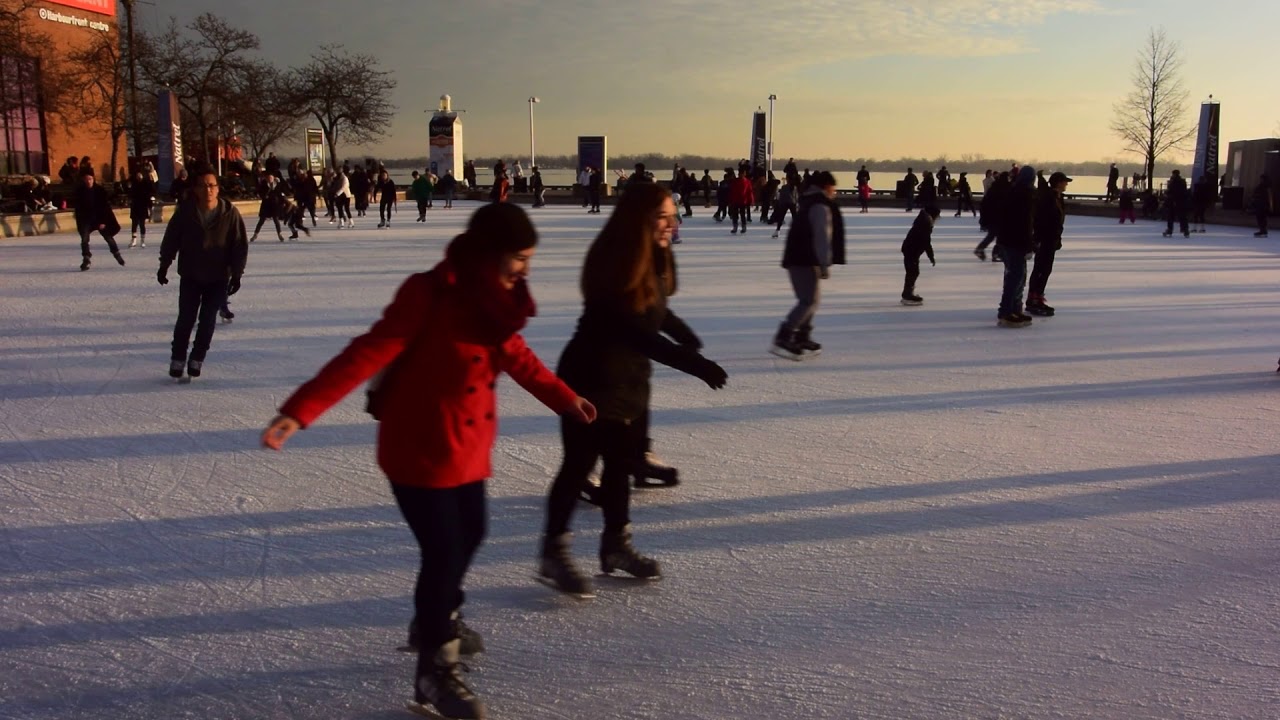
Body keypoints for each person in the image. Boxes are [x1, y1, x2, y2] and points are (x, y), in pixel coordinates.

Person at [261, 203, 596, 720]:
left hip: (467, 448)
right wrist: (299, 412)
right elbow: (366, 353)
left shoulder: (497, 301)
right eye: (519, 259)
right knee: (442, 551)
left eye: (529, 259)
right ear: (489, 254)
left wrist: (564, 398)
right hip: (418, 449)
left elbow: (518, 357)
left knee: (473, 534)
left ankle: (437, 619)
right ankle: (433, 670)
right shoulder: (428, 293)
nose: (525, 270)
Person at [539, 183, 727, 599]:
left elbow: (654, 307)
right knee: (579, 464)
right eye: (663, 216)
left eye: (672, 214)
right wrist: (691, 361)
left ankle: (615, 548)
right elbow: (634, 330)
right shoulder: (615, 259)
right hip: (592, 377)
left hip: (629, 379)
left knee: (621, 465)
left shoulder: (655, 256)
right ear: (639, 218)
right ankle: (553, 551)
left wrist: (682, 332)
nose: (671, 223)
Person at [157, 166, 248, 380]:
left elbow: (239, 245)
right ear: (196, 189)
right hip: (191, 274)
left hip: (218, 276)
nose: (208, 189)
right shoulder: (185, 212)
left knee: (207, 321)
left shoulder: (229, 213)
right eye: (203, 186)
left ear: (217, 189)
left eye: (212, 185)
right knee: (186, 319)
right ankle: (178, 358)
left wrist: (237, 273)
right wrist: (164, 264)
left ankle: (197, 357)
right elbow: (171, 239)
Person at [770, 171, 845, 359]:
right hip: (804, 259)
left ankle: (802, 336)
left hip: (800, 258)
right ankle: (784, 337)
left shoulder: (809, 201)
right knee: (808, 301)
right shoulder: (819, 206)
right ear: (826, 187)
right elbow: (822, 236)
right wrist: (824, 263)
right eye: (833, 188)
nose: (834, 192)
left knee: (812, 300)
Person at [995, 166, 1037, 328]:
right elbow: (1024, 223)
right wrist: (1028, 245)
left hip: (1008, 240)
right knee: (1015, 277)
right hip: (1015, 242)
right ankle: (1006, 312)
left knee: (1017, 276)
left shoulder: (1014, 191)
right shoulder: (1024, 194)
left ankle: (1014, 309)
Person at [1026, 172, 1071, 317]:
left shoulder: (1057, 198)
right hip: (1045, 239)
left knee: (1045, 269)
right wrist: (1038, 238)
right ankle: (1034, 298)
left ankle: (1037, 296)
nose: (1066, 184)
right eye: (1065, 182)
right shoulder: (1048, 198)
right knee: (1041, 268)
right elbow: (1041, 219)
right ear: (1058, 183)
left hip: (1051, 239)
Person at [73, 170, 124, 271]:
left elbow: (105, 208)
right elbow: (78, 208)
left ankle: (116, 253)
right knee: (84, 239)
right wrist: (80, 221)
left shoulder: (99, 191)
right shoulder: (80, 192)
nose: (88, 181)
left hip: (99, 219)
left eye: (90, 179)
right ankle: (86, 258)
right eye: (86, 179)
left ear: (93, 179)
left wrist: (103, 221)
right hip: (86, 220)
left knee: (108, 237)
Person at [900, 206, 940, 305]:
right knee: (913, 272)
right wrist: (931, 256)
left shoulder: (923, 220)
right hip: (912, 250)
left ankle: (908, 293)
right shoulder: (926, 223)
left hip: (911, 249)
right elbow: (926, 242)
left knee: (913, 272)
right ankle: (907, 294)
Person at [975, 171, 1010, 260]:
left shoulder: (994, 187)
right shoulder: (1005, 188)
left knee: (994, 235)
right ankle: (995, 253)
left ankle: (985, 249)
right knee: (1000, 235)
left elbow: (985, 203)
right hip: (998, 217)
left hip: (991, 216)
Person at [250, 174, 286, 242]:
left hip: (274, 205)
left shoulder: (277, 185)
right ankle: (255, 234)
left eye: (271, 178)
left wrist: (282, 203)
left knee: (276, 220)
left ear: (273, 178)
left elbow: (281, 195)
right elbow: (259, 192)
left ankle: (280, 234)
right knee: (261, 220)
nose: (269, 179)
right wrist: (264, 196)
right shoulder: (264, 185)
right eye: (268, 178)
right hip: (266, 205)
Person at [128, 169, 156, 248]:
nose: (139, 177)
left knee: (142, 224)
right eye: (137, 175)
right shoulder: (134, 184)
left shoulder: (146, 184)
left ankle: (142, 240)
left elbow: (150, 193)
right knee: (134, 224)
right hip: (135, 206)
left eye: (140, 175)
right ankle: (134, 240)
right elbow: (130, 194)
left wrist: (150, 207)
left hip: (143, 207)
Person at [1162, 169, 1190, 238]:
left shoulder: (1173, 182)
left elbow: (1171, 191)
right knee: (1183, 216)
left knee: (1171, 216)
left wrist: (1167, 194)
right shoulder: (1183, 181)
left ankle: (1170, 230)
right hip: (1181, 201)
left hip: (1173, 201)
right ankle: (1185, 229)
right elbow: (1184, 191)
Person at [729, 168, 754, 234]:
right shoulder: (735, 181)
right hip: (735, 200)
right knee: (735, 215)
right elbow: (731, 191)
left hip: (743, 201)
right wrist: (730, 200)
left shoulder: (747, 182)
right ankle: (735, 227)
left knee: (742, 215)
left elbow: (749, 192)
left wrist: (751, 200)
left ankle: (743, 227)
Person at [1253, 174, 1272, 238]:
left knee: (1262, 218)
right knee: (1259, 217)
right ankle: (1262, 230)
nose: (1261, 180)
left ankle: (1263, 230)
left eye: (1262, 179)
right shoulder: (1260, 186)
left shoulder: (1266, 186)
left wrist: (1270, 205)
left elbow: (1269, 196)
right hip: (1259, 204)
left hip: (1263, 204)